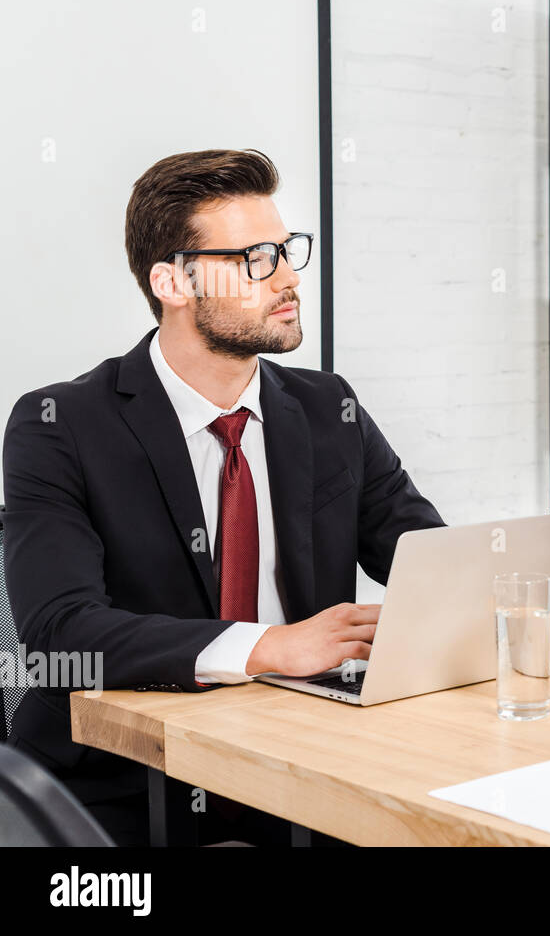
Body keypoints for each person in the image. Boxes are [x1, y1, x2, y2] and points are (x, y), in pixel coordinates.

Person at [2, 149, 444, 843]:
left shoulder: (330, 409)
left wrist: (503, 588)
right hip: (116, 789)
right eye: (254, 259)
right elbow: (61, 633)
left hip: (302, 772)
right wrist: (267, 645)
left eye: (287, 251)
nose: (289, 278)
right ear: (173, 281)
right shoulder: (60, 425)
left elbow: (428, 558)